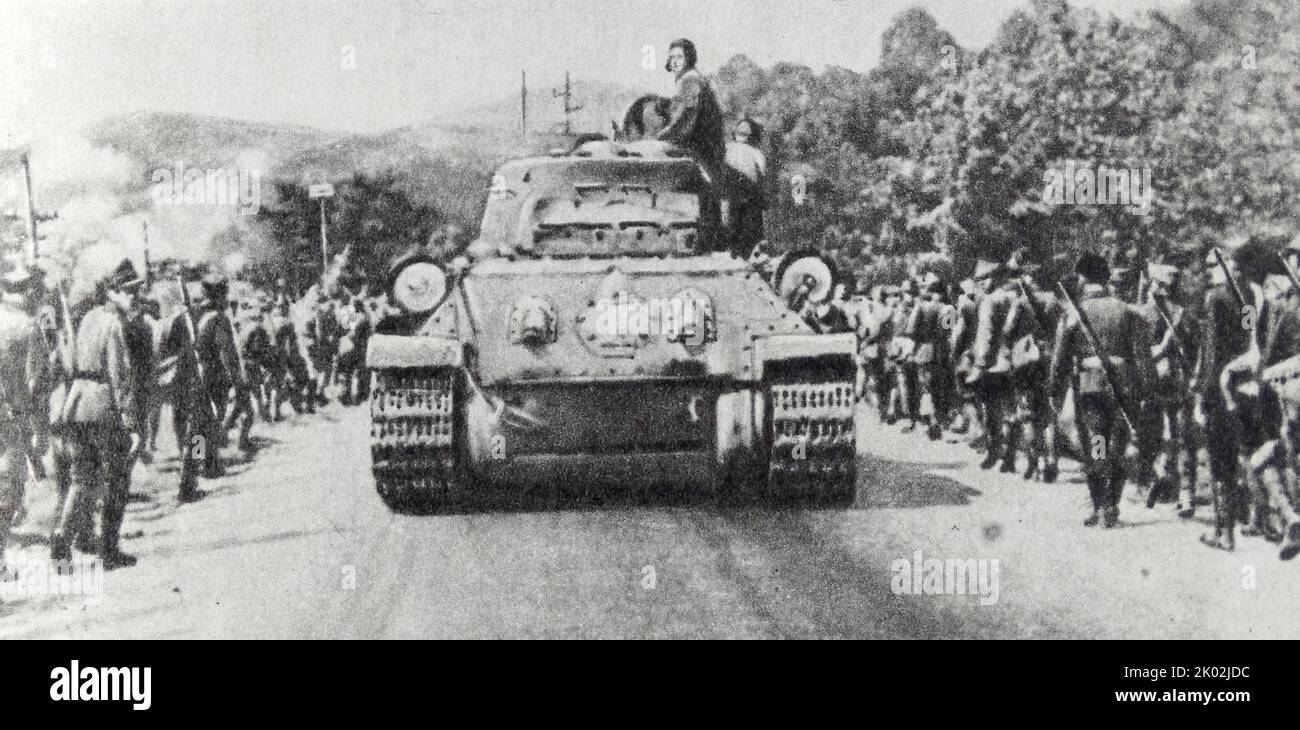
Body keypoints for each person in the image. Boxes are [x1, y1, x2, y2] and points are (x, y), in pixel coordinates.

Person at [1049, 252, 1155, 528]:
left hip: (1091, 385)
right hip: (1124, 385)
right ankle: (1112, 506)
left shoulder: (1075, 313)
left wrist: (1054, 388)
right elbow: (1143, 357)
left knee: (1096, 442)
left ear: (1084, 279)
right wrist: (1145, 391)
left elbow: (1060, 356)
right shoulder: (1129, 311)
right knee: (1118, 444)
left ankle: (1099, 505)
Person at [50, 259, 143, 568]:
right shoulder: (116, 324)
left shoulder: (88, 318)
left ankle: (63, 535)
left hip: (77, 407)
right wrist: (131, 424)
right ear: (112, 291)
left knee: (82, 478)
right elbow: (120, 377)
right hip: (103, 409)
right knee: (117, 479)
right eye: (129, 292)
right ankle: (109, 551)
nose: (135, 297)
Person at [1196, 247, 1253, 550]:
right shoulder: (1250, 297)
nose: (1209, 270)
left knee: (1220, 459)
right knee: (1238, 456)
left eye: (1212, 264)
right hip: (1245, 384)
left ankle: (1224, 531)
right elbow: (1247, 341)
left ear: (1229, 263)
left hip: (1220, 389)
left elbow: (1213, 351)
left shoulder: (1216, 298)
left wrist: (1205, 395)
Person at [169, 273, 241, 502]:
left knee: (201, 427)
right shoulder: (218, 319)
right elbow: (226, 353)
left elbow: (172, 347)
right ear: (220, 295)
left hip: (183, 379)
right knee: (197, 430)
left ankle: (207, 465)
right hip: (205, 381)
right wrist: (235, 381)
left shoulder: (186, 316)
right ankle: (187, 484)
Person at [1135, 263, 1198, 511]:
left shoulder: (1144, 313)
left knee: (1154, 434)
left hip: (1154, 379)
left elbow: (1139, 351)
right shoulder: (1185, 313)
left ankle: (1158, 474)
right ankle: (1187, 495)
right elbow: (1195, 347)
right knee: (1182, 436)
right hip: (1180, 378)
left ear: (1156, 285)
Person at [0, 264, 50, 576]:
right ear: (26, 291)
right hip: (12, 419)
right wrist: (39, 428)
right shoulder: (28, 328)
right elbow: (37, 382)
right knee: (10, 487)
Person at [1004, 263, 1062, 481]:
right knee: (1049, 415)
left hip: (1026, 362)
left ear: (1028, 278)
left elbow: (1008, 330)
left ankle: (1035, 463)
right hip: (1050, 360)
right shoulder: (1055, 301)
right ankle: (1052, 462)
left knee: (1028, 414)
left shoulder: (1020, 301)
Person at [967, 258, 1019, 471]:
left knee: (991, 410)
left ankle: (995, 451)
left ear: (994, 278)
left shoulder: (990, 300)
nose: (981, 284)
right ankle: (1011, 456)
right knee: (1011, 411)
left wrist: (979, 364)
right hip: (1014, 361)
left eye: (983, 279)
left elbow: (986, 335)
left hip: (993, 364)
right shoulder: (1015, 297)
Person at [657, 38, 725, 167]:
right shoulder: (689, 78)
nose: (674, 62)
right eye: (671, 58)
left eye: (679, 57)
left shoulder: (690, 80)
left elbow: (687, 119)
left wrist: (663, 135)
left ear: (689, 58)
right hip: (701, 142)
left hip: (702, 146)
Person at [723, 118, 767, 258]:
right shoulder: (756, 152)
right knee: (749, 228)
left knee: (734, 225)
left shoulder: (726, 148)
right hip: (749, 194)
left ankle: (735, 252)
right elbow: (762, 172)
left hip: (732, 194)